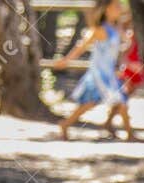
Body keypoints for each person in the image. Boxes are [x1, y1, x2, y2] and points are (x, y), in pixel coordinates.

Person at [51, 1, 133, 141]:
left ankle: (123, 131)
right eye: (116, 6)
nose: (120, 9)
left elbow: (124, 44)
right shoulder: (99, 29)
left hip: (110, 74)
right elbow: (81, 47)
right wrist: (66, 61)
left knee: (119, 102)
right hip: (99, 74)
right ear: (106, 9)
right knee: (90, 104)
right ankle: (65, 124)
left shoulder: (115, 28)